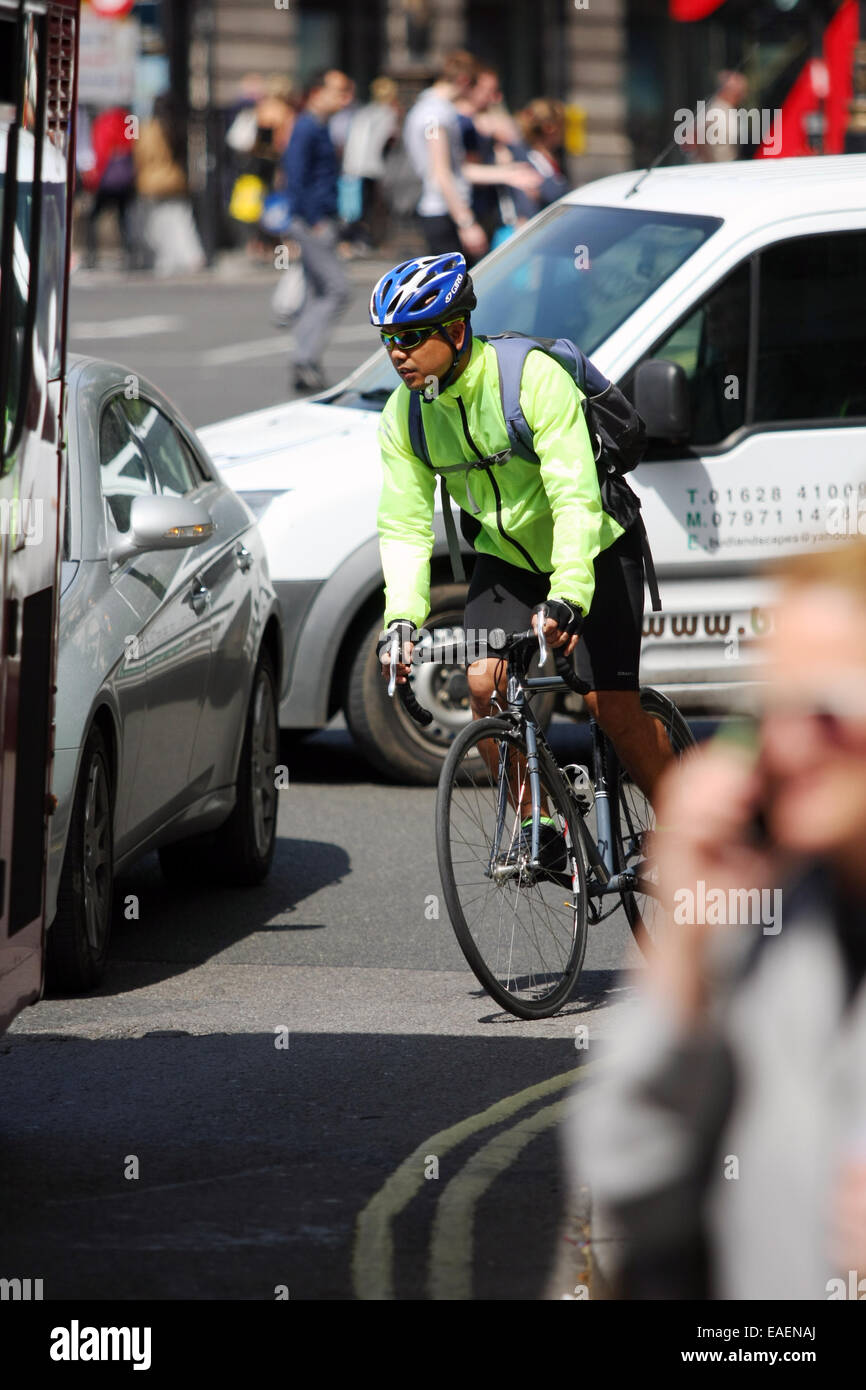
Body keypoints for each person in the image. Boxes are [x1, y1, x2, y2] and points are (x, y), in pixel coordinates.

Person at [570, 539, 866, 1299]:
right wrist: (683, 951)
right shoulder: (777, 921)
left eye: (827, 712)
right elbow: (630, 1185)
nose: (791, 747)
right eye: (770, 712)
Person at [371, 252, 675, 835]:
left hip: (596, 548)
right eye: (389, 340)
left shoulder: (530, 378)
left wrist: (568, 595)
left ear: (455, 331)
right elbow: (404, 525)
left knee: (608, 708)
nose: (397, 354)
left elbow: (574, 497)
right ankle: (541, 828)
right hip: (509, 558)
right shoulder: (403, 417)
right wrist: (403, 620)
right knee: (483, 683)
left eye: (411, 337)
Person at [402, 51, 540, 264]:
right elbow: (441, 172)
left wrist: (507, 173)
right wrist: (465, 223)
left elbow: (456, 168)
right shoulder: (435, 115)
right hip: (444, 212)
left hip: (444, 211)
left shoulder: (432, 109)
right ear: (464, 81)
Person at [281, 69, 353, 394]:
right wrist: (313, 219)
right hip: (314, 221)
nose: (344, 98)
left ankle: (307, 363)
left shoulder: (320, 127)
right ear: (316, 93)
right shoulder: (307, 127)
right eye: (337, 91)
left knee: (316, 292)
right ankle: (304, 357)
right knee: (337, 290)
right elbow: (295, 175)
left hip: (322, 217)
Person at [134, 95, 205, 276]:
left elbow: (139, 155)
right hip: (174, 180)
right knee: (181, 220)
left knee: (157, 224)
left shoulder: (147, 130)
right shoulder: (175, 127)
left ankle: (165, 259)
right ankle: (190, 257)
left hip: (152, 181)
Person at [341, 76, 400, 250]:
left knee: (361, 205)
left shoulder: (365, 112)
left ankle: (359, 238)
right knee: (370, 206)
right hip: (373, 167)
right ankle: (365, 239)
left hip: (356, 166)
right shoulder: (386, 113)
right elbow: (387, 139)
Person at [82, 106, 136, 270]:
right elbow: (134, 146)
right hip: (125, 180)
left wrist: (93, 179)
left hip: (107, 180)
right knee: (124, 219)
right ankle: (129, 254)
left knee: (94, 217)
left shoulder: (104, 121)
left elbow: (100, 151)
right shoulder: (129, 120)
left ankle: (91, 255)